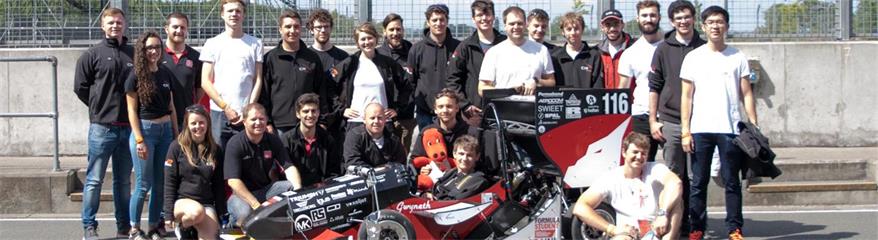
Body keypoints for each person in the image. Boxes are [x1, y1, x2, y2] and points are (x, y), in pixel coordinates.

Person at [680, 6, 757, 240]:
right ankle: (697, 228)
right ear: (703, 26)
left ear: (727, 26)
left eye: (720, 22)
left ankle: (734, 228)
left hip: (730, 130)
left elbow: (747, 93)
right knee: (698, 183)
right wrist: (685, 130)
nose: (715, 26)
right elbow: (687, 96)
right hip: (700, 129)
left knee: (732, 181)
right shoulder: (693, 57)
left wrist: (753, 124)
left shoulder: (737, 56)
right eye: (711, 22)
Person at [74, 7, 134, 240]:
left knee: (123, 183)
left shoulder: (133, 53)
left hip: (127, 128)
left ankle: (123, 228)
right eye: (110, 22)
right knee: (94, 180)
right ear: (103, 26)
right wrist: (98, 106)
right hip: (102, 128)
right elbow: (81, 87)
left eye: (119, 22)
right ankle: (89, 226)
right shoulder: (92, 54)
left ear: (125, 24)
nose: (115, 26)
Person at [648, 1, 704, 235]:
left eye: (687, 16)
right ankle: (671, 225)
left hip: (700, 121)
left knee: (697, 179)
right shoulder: (663, 48)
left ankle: (695, 227)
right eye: (678, 17)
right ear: (671, 21)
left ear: (694, 18)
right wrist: (653, 119)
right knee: (674, 177)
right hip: (670, 121)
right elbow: (654, 86)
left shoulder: (704, 47)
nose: (683, 21)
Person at [573, 132, 683, 240]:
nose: (639, 157)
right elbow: (580, 207)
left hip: (657, 229)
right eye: (635, 152)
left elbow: (676, 183)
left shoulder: (655, 169)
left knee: (677, 201)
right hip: (628, 233)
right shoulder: (611, 177)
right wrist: (611, 229)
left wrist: (663, 214)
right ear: (624, 152)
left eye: (643, 153)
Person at [124, 31, 178, 239]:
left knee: (160, 183)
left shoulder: (165, 73)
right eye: (149, 48)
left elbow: (171, 105)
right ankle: (134, 229)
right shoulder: (135, 75)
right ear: (142, 51)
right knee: (143, 183)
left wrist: (176, 132)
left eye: (157, 47)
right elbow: (131, 110)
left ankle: (155, 226)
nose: (154, 51)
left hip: (165, 133)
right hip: (145, 132)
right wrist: (139, 139)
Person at [224, 103, 302, 227]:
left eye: (261, 119)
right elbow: (233, 181)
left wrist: (298, 192)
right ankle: (231, 226)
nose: (258, 122)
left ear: (266, 120)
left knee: (290, 186)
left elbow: (289, 167)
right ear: (244, 122)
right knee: (246, 213)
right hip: (241, 195)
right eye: (253, 119)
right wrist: (256, 206)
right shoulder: (235, 144)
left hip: (266, 190)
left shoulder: (273, 140)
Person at [200, 0, 264, 149]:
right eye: (230, 11)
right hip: (219, 113)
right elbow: (205, 81)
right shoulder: (212, 43)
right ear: (222, 14)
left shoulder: (255, 43)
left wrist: (248, 109)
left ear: (243, 15)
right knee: (219, 157)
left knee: (247, 160)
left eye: (238, 11)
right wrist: (225, 107)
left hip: (246, 113)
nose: (234, 14)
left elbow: (258, 80)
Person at [260, 9, 330, 136]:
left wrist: (323, 121)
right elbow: (264, 93)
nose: (292, 31)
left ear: (301, 29)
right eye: (288, 27)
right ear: (280, 29)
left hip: (308, 123)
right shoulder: (270, 58)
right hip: (280, 126)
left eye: (296, 26)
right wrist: (268, 123)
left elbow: (321, 91)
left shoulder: (312, 58)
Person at [332, 22, 409, 132]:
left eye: (370, 38)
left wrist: (397, 109)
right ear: (357, 42)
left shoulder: (387, 63)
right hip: (356, 121)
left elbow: (407, 85)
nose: (367, 42)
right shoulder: (349, 63)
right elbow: (329, 84)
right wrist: (341, 109)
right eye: (363, 39)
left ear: (376, 39)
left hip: (382, 122)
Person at [163, 105, 225, 240]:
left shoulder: (216, 150)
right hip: (183, 202)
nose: (198, 126)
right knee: (196, 212)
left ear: (208, 124)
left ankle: (194, 229)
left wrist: (222, 213)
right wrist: (168, 214)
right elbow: (169, 182)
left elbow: (218, 185)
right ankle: (184, 227)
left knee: (211, 236)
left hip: (206, 204)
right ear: (187, 125)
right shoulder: (176, 147)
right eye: (193, 123)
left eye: (202, 122)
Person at [617, 0, 663, 163]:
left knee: (677, 168)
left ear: (659, 17)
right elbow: (622, 89)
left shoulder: (670, 47)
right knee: (640, 166)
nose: (648, 19)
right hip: (641, 116)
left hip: (669, 115)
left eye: (652, 15)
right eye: (644, 15)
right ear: (637, 18)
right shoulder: (630, 53)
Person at [447, 0, 506, 127]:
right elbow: (452, 79)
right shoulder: (465, 46)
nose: (484, 18)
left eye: (488, 14)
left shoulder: (506, 44)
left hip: (504, 110)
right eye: (479, 15)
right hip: (474, 114)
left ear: (494, 17)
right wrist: (465, 105)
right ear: (473, 19)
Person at [410, 89, 480, 191]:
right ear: (435, 110)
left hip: (465, 182)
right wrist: (422, 169)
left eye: (449, 106)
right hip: (434, 183)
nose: (445, 110)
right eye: (441, 107)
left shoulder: (471, 131)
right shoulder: (428, 132)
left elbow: (479, 161)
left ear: (457, 108)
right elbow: (414, 161)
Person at [478, 6, 555, 96]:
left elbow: (551, 82)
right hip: (504, 108)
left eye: (519, 23)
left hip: (533, 107)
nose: (516, 27)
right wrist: (508, 91)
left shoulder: (541, 50)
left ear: (526, 24)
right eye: (512, 24)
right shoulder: (494, 53)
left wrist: (537, 81)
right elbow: (481, 88)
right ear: (505, 25)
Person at [408, 3, 461, 130]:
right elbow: (412, 80)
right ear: (428, 22)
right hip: (425, 112)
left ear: (447, 21)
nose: (438, 23)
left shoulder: (458, 48)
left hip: (452, 112)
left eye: (442, 19)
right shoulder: (416, 49)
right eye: (434, 20)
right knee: (429, 148)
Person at [377, 13, 417, 153]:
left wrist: (400, 109)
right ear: (384, 31)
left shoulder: (413, 51)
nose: (395, 33)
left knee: (403, 155)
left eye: (398, 29)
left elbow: (414, 83)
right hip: (383, 117)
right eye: (391, 29)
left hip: (406, 116)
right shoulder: (378, 54)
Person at [281, 93, 341, 187]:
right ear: (298, 114)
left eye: (314, 111)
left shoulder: (328, 139)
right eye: (305, 111)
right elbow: (284, 173)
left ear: (318, 113)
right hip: (295, 189)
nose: (310, 115)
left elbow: (334, 172)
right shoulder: (286, 140)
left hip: (322, 190)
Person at [163, 12, 203, 130]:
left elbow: (200, 87)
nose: (179, 30)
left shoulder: (195, 57)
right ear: (166, 29)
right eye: (175, 27)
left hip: (186, 119)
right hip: (162, 119)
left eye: (183, 27)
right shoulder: (156, 54)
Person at [425, 135, 492, 200]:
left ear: (477, 157)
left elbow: (454, 203)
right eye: (461, 154)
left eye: (469, 155)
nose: (464, 158)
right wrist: (426, 194)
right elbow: (434, 189)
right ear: (454, 154)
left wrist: (434, 199)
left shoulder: (479, 181)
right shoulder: (451, 173)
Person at [343, 103, 407, 170]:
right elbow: (352, 162)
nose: (376, 121)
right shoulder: (354, 136)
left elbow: (401, 163)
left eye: (380, 118)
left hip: (388, 177)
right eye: (372, 118)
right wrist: (376, 171)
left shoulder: (393, 139)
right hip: (361, 178)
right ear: (364, 120)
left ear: (385, 119)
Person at [550, 12, 603, 89]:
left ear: (582, 30)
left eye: (576, 28)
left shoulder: (594, 56)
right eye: (569, 29)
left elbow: (598, 86)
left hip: (587, 100)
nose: (573, 33)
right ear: (563, 32)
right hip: (563, 100)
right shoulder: (555, 57)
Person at [597, 9, 634, 89]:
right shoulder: (597, 52)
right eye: (608, 24)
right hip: (606, 100)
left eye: (616, 24)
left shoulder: (634, 49)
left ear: (622, 25)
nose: (612, 29)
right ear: (602, 27)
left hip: (630, 100)